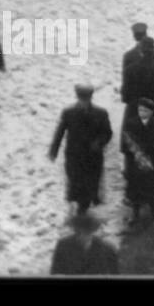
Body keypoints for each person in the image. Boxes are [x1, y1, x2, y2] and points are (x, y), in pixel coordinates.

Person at [48, 83, 112, 216]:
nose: (83, 102)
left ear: (90, 98)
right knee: (75, 180)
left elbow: (107, 133)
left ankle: (85, 205)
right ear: (77, 97)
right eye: (81, 98)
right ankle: (78, 203)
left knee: (90, 181)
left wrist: (99, 142)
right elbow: (60, 132)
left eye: (86, 99)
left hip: (92, 157)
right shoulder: (68, 113)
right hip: (74, 155)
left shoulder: (101, 113)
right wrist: (54, 151)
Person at [120, 97, 154, 230]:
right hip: (135, 162)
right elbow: (126, 145)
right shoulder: (131, 123)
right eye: (140, 110)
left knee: (153, 189)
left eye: (145, 110)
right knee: (135, 189)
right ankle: (134, 214)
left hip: (153, 162)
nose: (142, 113)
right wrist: (127, 166)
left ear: (151, 112)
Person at [121, 36, 154, 123]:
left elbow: (125, 98)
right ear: (153, 52)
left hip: (133, 115)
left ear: (140, 51)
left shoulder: (129, 70)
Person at [49, 213, 119, 275]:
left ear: (93, 231)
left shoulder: (107, 249)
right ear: (75, 230)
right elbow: (55, 272)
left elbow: (115, 274)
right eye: (79, 232)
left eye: (87, 232)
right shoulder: (63, 246)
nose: (83, 235)